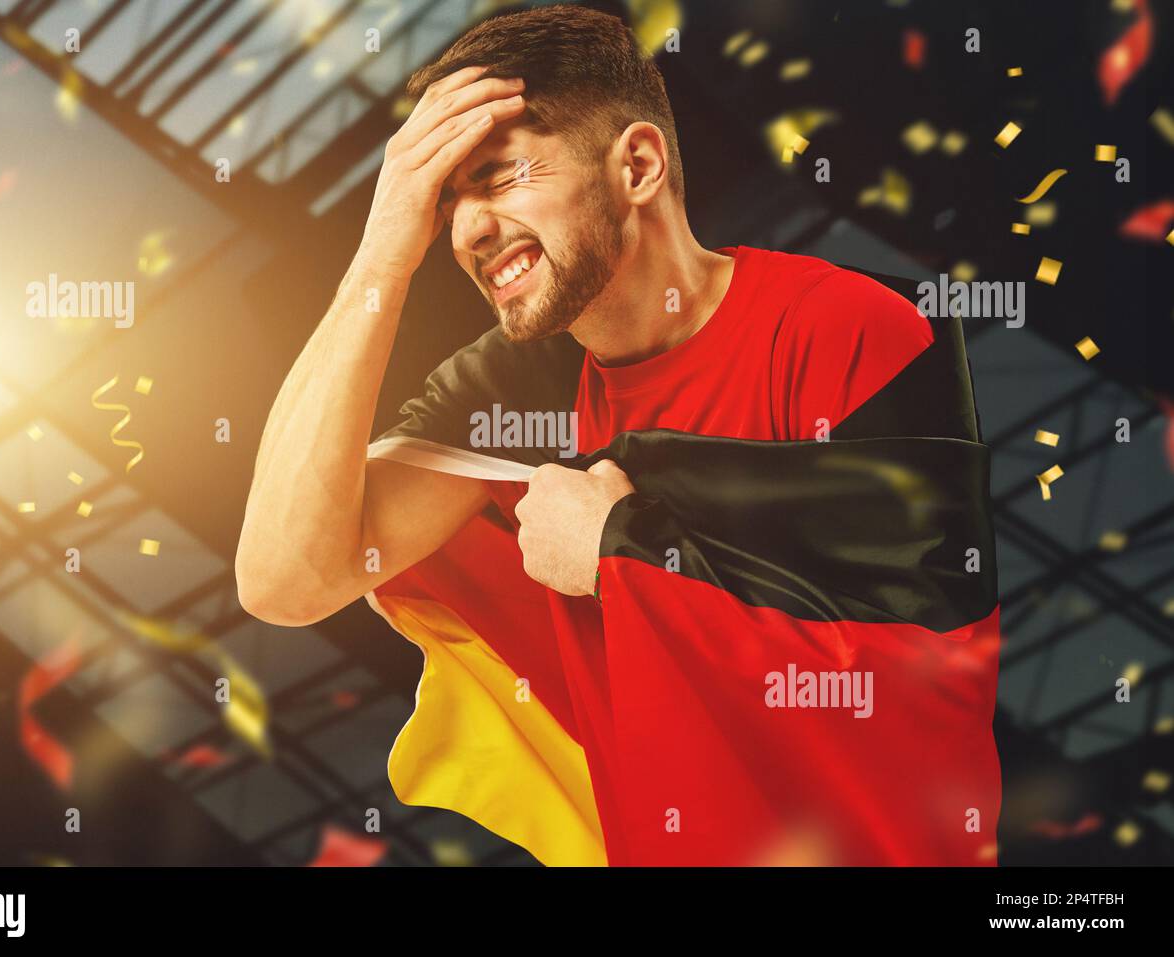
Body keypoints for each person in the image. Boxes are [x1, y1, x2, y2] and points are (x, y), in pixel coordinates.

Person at [236, 6, 1002, 866]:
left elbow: (913, 691)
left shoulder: (847, 326)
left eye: (497, 178)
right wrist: (381, 252)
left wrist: (622, 550)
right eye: (443, 204)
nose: (465, 232)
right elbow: (284, 580)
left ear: (637, 164)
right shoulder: (515, 386)